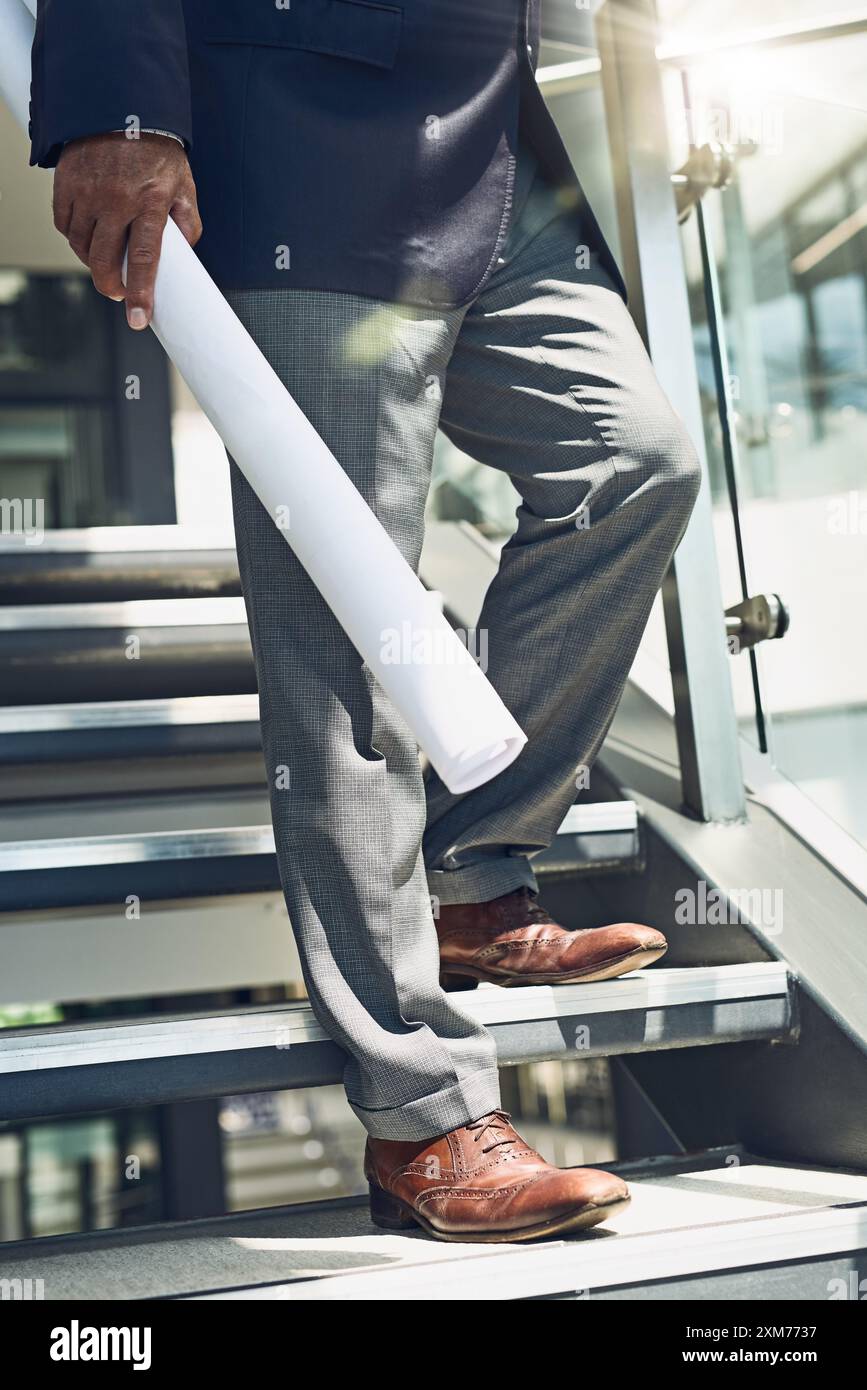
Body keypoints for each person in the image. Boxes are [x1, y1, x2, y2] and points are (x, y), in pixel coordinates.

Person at [30, 0, 700, 1242]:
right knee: (350, 646)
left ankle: (466, 865)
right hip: (294, 138)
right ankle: (424, 1116)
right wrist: (118, 110)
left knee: (638, 463)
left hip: (498, 141)